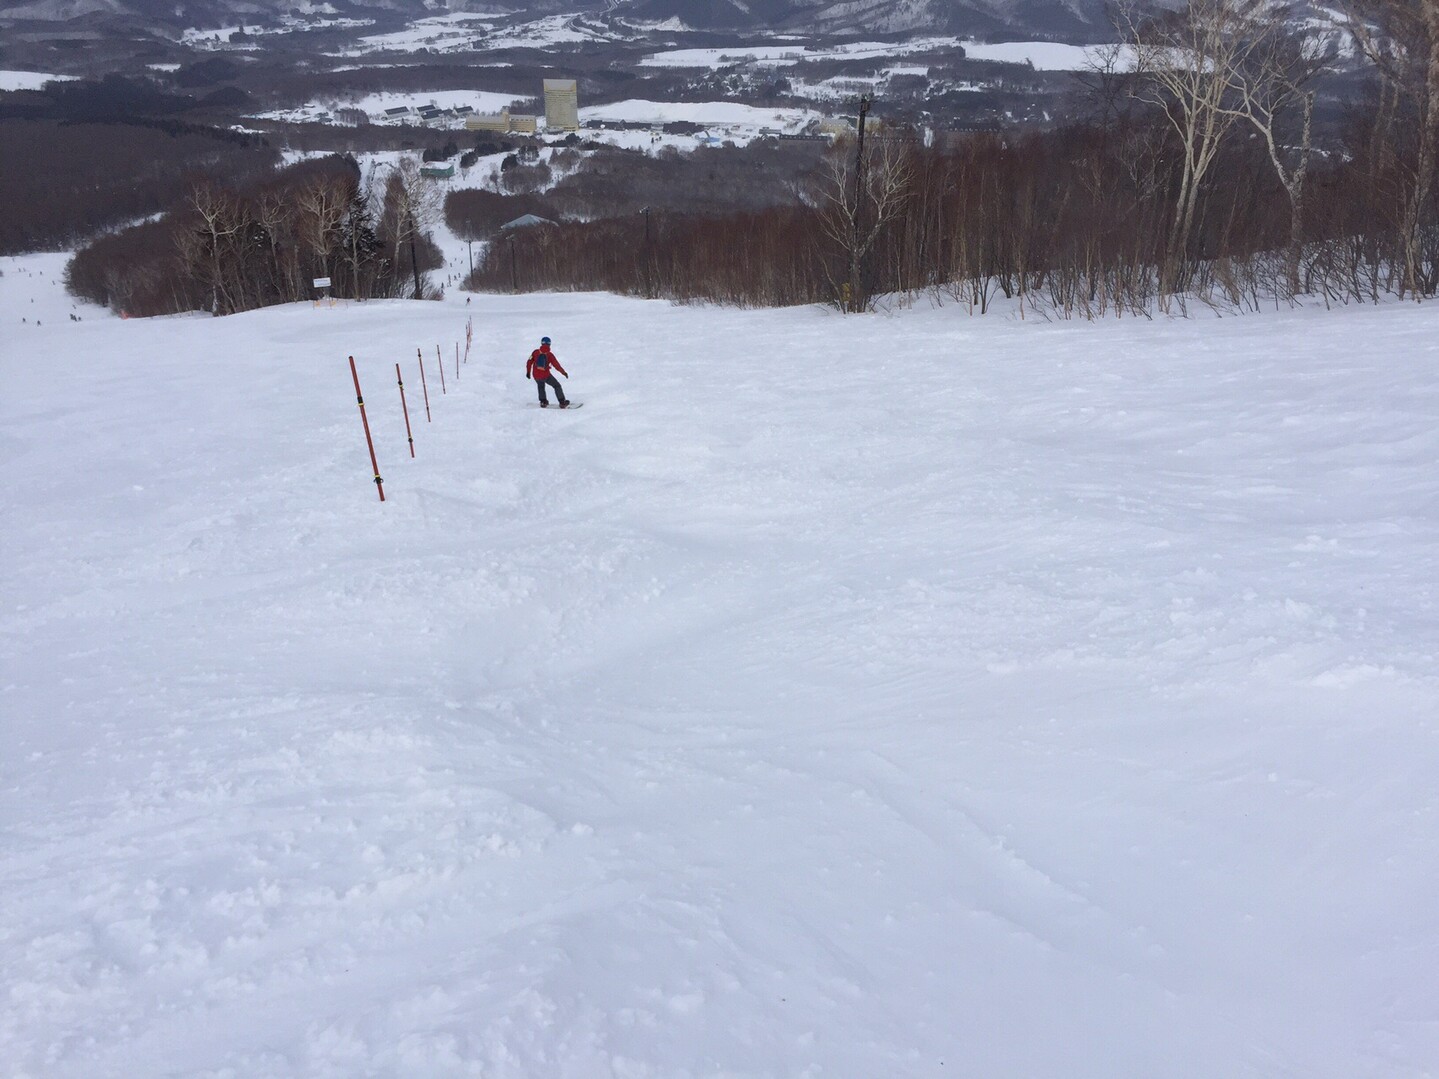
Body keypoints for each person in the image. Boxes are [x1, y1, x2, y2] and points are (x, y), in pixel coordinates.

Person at [526, 336, 570, 408]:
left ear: (541, 343)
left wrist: (528, 372)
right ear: (549, 344)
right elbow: (556, 365)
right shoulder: (550, 355)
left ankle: (543, 402)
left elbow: (529, 361)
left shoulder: (535, 352)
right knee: (556, 386)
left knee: (541, 386)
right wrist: (563, 372)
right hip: (546, 375)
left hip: (536, 375)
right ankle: (562, 402)